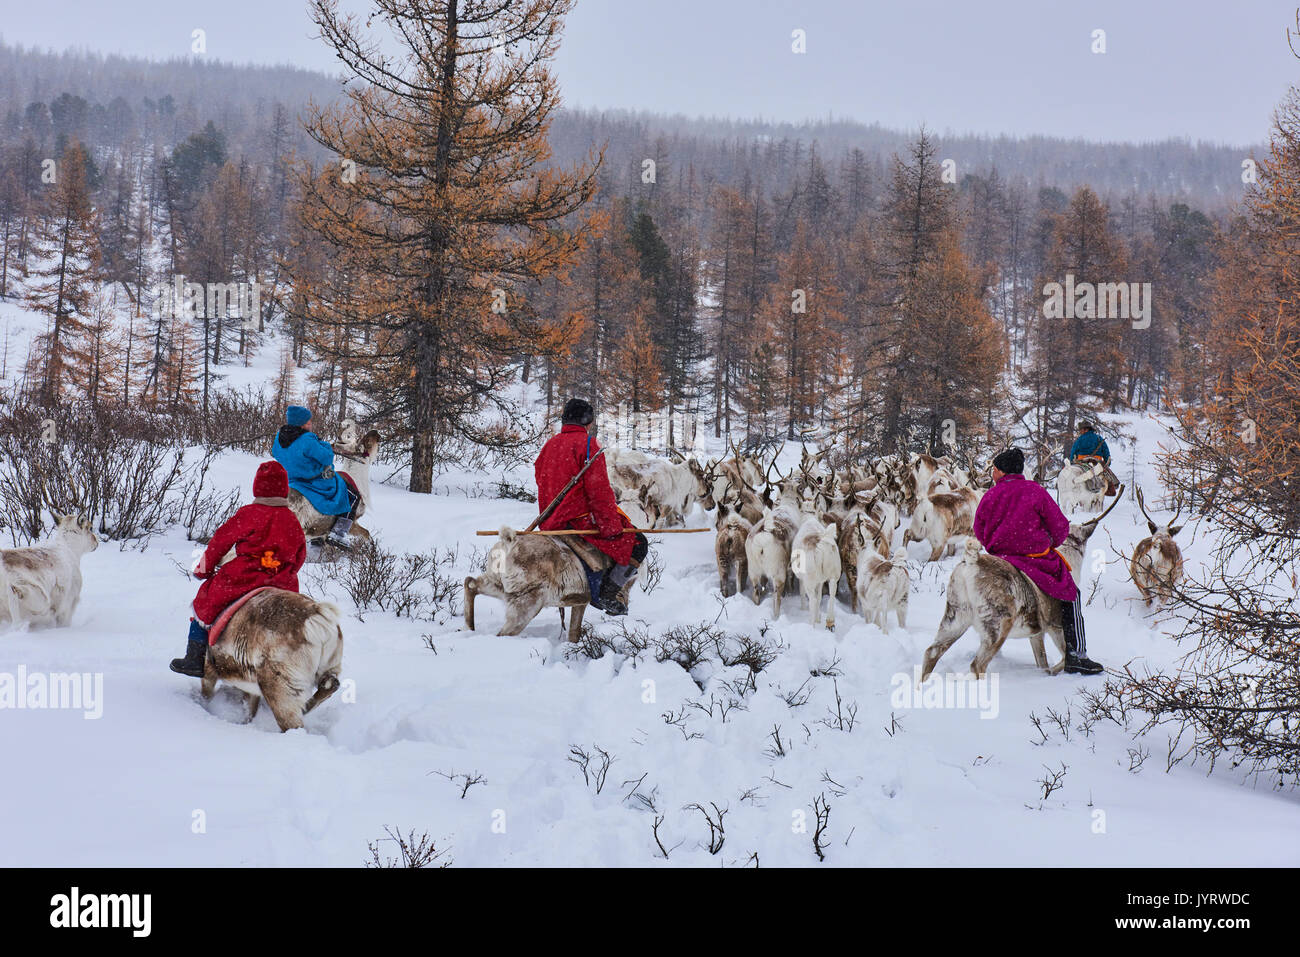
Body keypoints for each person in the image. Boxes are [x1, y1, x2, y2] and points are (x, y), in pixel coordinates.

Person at [972, 447, 1104, 676]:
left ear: (1002, 472)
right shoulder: (1036, 491)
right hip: (1036, 562)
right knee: (1072, 593)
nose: (992, 474)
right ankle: (1076, 654)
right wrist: (1046, 543)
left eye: (994, 469)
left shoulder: (990, 495)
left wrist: (996, 547)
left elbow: (979, 531)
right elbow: (1061, 529)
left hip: (997, 562)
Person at [169, 460, 308, 677]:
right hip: (282, 579)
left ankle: (194, 658)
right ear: (284, 488)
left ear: (257, 487)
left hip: (244, 577)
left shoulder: (249, 513)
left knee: (205, 601)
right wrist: (287, 572)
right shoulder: (292, 519)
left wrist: (203, 570)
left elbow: (219, 543)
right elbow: (300, 554)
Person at [534, 398, 648, 616]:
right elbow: (599, 493)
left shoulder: (549, 445)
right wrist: (611, 527)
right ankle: (607, 592)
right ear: (586, 420)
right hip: (578, 519)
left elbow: (542, 480)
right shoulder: (588, 445)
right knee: (639, 543)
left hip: (549, 520)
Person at [271, 405, 358, 551]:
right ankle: (338, 533)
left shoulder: (279, 438)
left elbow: (276, 453)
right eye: (309, 421)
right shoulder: (308, 439)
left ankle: (317, 542)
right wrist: (323, 444)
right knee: (352, 494)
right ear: (302, 423)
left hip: (292, 481)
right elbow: (327, 457)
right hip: (315, 482)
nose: (311, 423)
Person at [1069, 420, 1118, 496]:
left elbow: (1073, 452)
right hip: (1097, 462)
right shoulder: (1099, 438)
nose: (1080, 431)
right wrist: (1107, 464)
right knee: (1108, 475)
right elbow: (1106, 453)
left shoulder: (1079, 439)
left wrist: (1071, 463)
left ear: (1086, 429)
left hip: (1080, 462)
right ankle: (1111, 488)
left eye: (1081, 430)